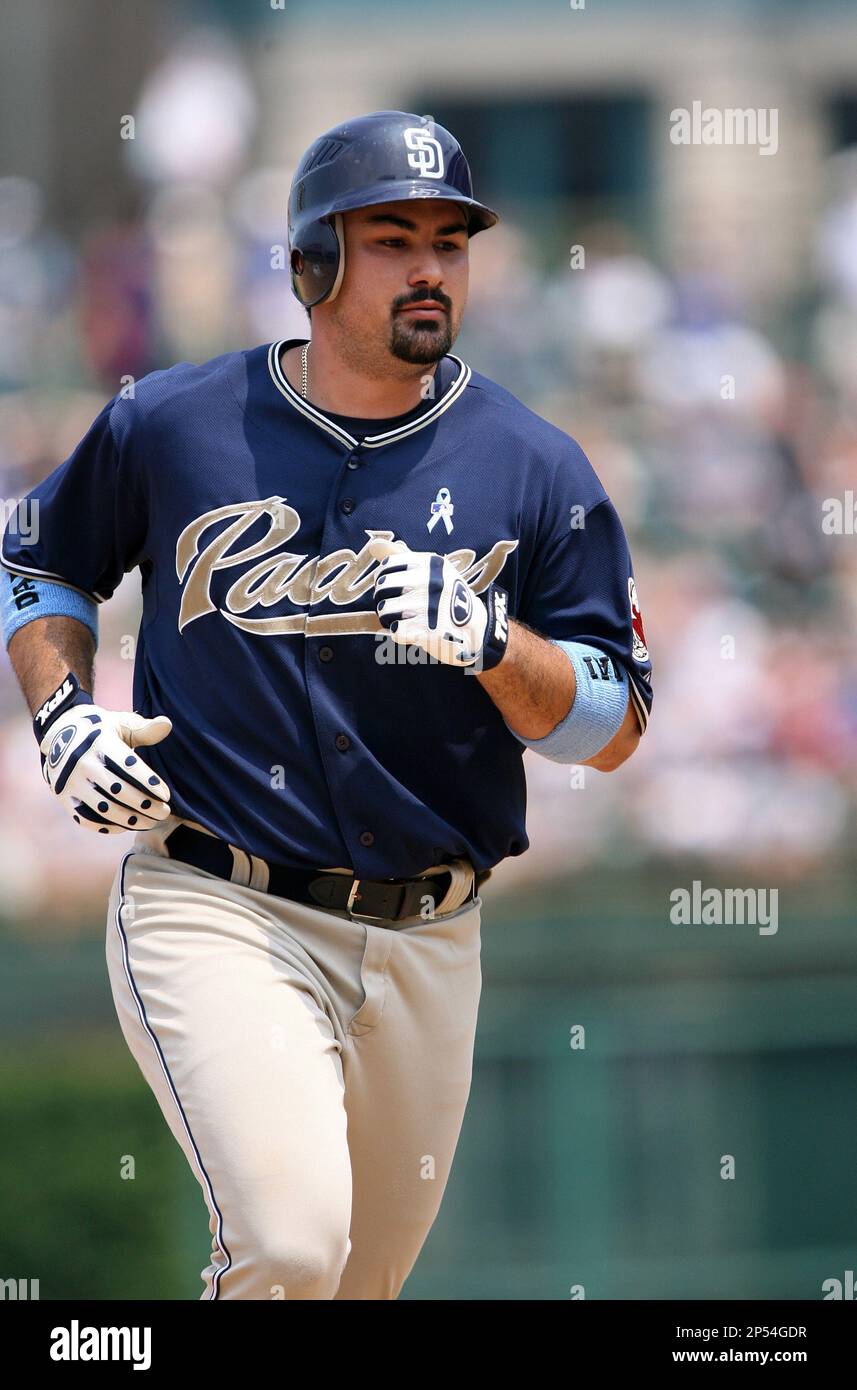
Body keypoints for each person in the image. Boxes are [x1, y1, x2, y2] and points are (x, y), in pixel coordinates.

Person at [1, 111, 652, 1300]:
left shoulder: (533, 464)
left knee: (352, 1292)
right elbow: (38, 559)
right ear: (311, 264)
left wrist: (493, 643)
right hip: (217, 896)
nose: (429, 267)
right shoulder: (177, 422)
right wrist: (60, 713)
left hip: (429, 934)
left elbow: (612, 725)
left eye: (450, 241)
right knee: (291, 1249)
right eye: (392, 237)